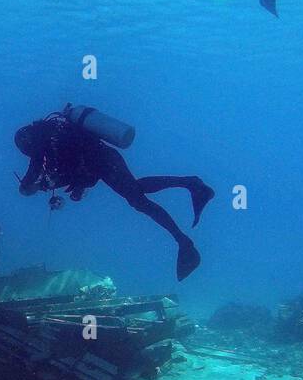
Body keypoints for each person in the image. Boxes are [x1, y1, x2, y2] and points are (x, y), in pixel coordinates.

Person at [15, 110, 213, 281]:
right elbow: (74, 166)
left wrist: (32, 187)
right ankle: (190, 189)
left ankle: (185, 233)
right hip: (104, 161)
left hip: (104, 163)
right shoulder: (53, 138)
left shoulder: (44, 146)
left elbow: (36, 177)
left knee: (137, 199)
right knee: (136, 194)